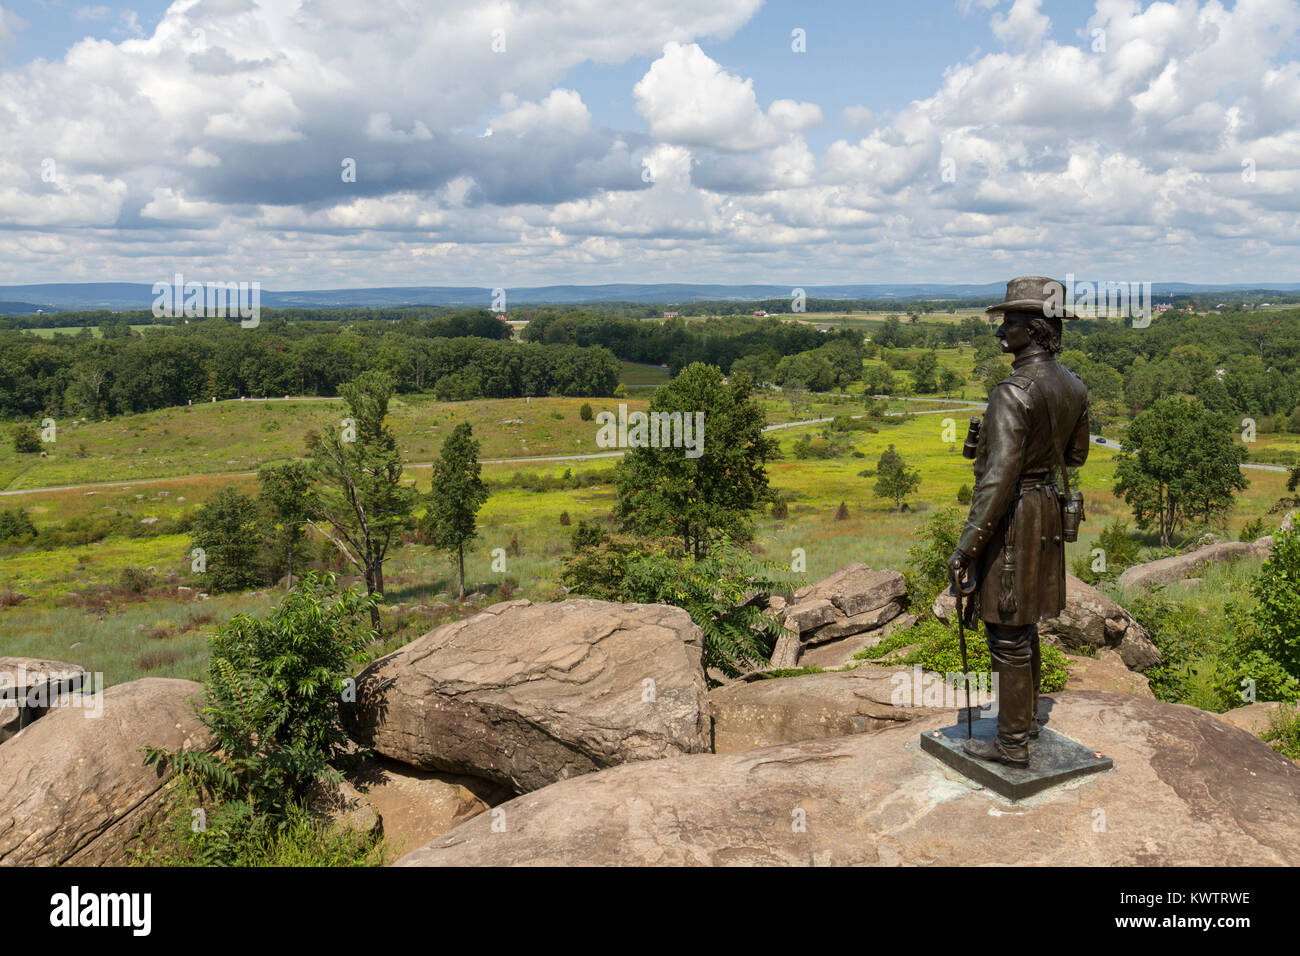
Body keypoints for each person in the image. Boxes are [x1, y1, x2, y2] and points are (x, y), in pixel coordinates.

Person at [947, 276, 1090, 767]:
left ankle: (1010, 745)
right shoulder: (1073, 385)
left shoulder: (1012, 391)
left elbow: (997, 479)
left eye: (1008, 322)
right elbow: (1076, 456)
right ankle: (1025, 724)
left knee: (1006, 632)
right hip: (1046, 512)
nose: (1000, 331)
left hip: (1013, 521)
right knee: (1023, 628)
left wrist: (967, 545)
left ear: (1033, 328)